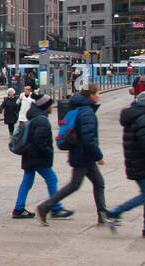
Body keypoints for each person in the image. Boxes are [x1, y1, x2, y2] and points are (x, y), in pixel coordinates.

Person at [37, 82, 107, 225]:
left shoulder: (81, 109)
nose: (99, 96)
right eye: (98, 93)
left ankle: (103, 215)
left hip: (82, 154)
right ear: (91, 95)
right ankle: (45, 207)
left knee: (98, 183)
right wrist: (99, 156)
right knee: (75, 184)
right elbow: (88, 138)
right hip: (83, 155)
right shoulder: (87, 112)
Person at [104, 90, 145, 237]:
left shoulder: (138, 117)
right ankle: (115, 212)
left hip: (139, 161)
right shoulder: (144, 119)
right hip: (142, 163)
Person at [12, 94, 66, 219]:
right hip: (37, 157)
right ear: (45, 106)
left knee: (27, 181)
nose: (52, 107)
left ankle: (19, 208)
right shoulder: (42, 120)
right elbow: (39, 141)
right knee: (52, 178)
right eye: (50, 105)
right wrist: (47, 153)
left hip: (29, 155)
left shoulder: (35, 117)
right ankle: (55, 207)